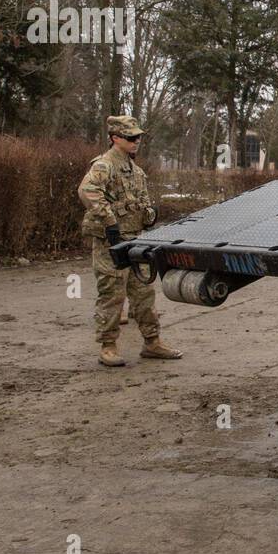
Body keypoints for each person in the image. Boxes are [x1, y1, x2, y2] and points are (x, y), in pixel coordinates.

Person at [78, 115, 183, 367]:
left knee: (144, 293)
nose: (136, 141)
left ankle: (152, 342)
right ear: (115, 138)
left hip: (135, 240)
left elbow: (143, 202)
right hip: (111, 242)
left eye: (138, 137)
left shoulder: (135, 170)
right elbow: (87, 191)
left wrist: (149, 215)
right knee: (112, 295)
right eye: (131, 137)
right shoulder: (104, 165)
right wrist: (110, 221)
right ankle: (108, 346)